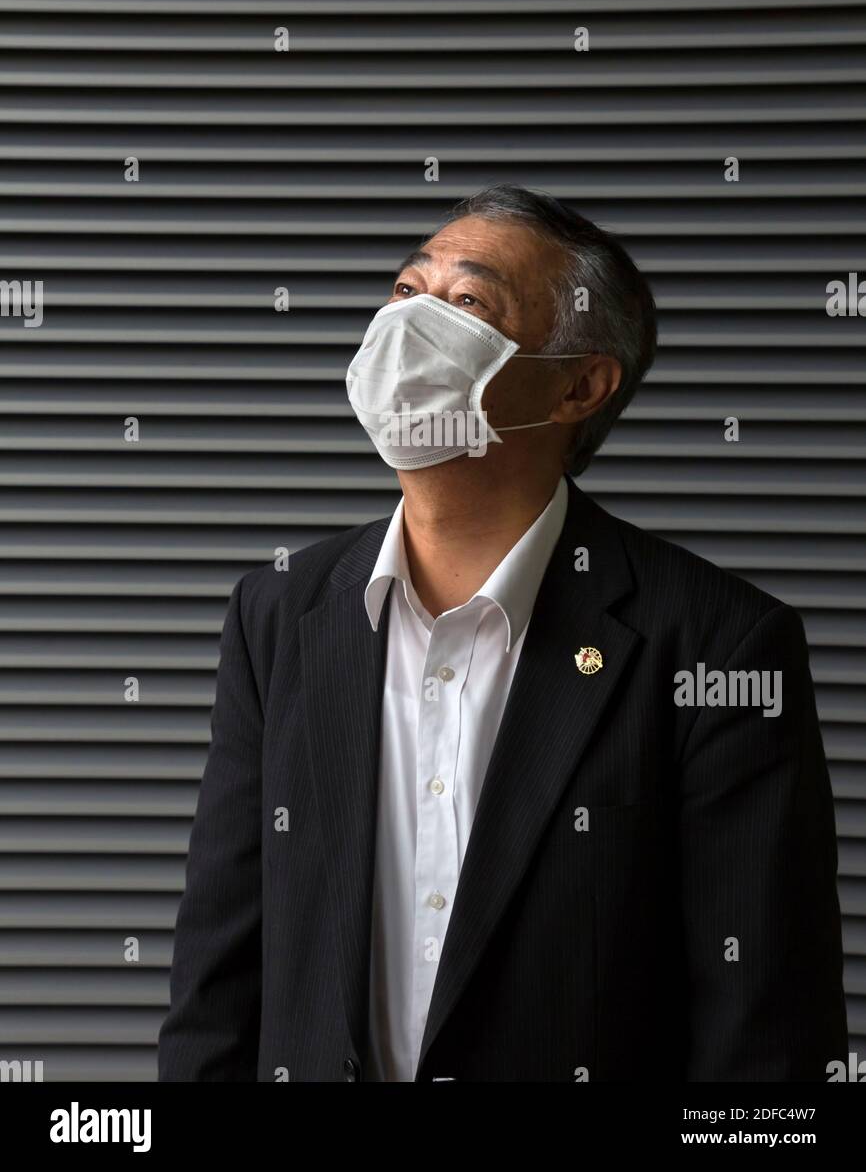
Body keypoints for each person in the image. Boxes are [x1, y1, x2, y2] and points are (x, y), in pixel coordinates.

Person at [158, 183, 847, 1082]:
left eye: (468, 301)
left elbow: (766, 1028)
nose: (410, 324)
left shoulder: (718, 644)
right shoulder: (280, 614)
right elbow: (219, 976)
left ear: (578, 384)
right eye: (408, 291)